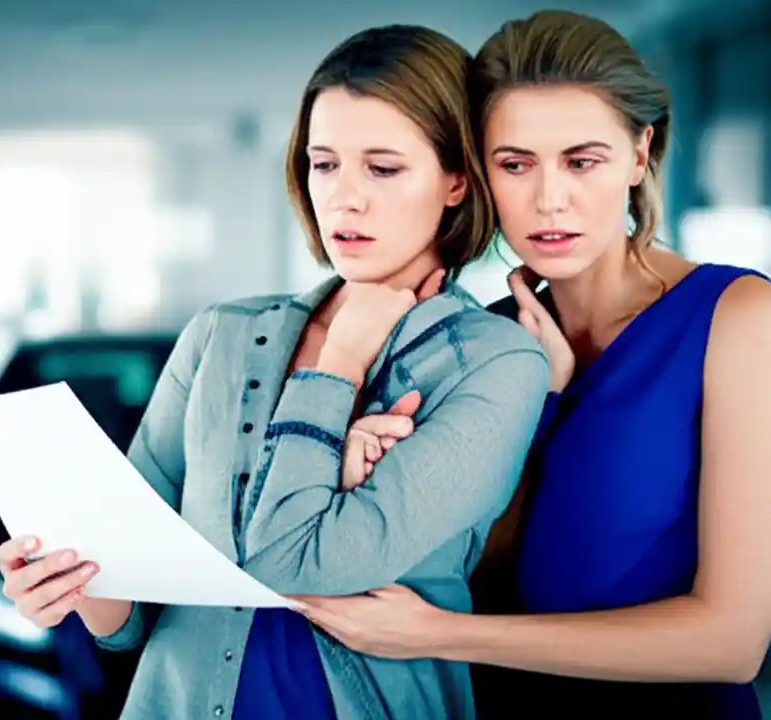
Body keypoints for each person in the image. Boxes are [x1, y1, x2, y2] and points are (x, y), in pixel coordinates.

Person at [0, 25, 550, 719]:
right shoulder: (220, 335)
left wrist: (338, 366)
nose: (344, 197)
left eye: (382, 169)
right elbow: (130, 606)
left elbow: (290, 562)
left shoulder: (495, 363)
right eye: (325, 164)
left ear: (456, 180)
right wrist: (68, 583)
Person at [294, 11, 771, 719]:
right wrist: (536, 405)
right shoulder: (482, 340)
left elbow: (731, 643)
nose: (549, 199)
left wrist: (441, 635)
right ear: (475, 174)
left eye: (582, 161)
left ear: (639, 154)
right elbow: (480, 571)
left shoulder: (738, 319)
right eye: (515, 164)